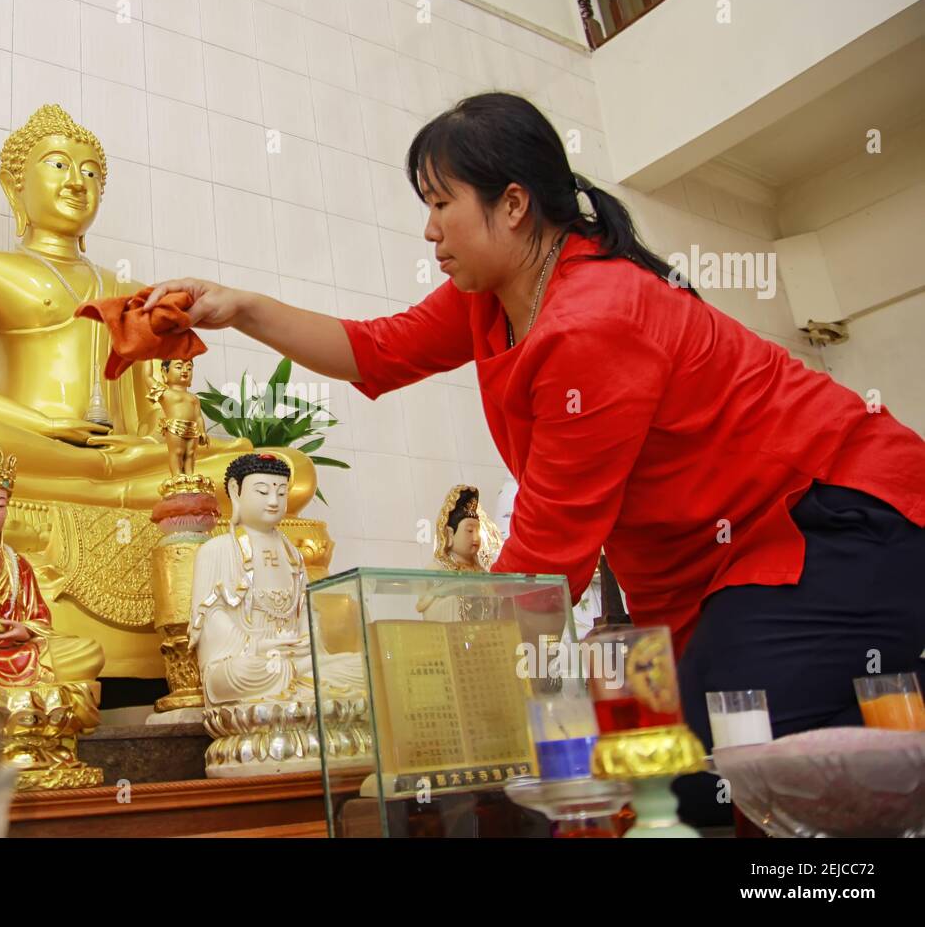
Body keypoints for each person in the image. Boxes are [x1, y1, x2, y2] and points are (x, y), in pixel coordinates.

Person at [146, 92, 925, 825]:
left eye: (440, 203)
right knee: (670, 761)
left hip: (835, 524)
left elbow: (549, 559)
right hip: (722, 571)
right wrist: (238, 307)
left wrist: (434, 713)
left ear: (512, 205)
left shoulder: (593, 319)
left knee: (696, 765)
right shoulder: (495, 294)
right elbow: (374, 351)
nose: (429, 230)